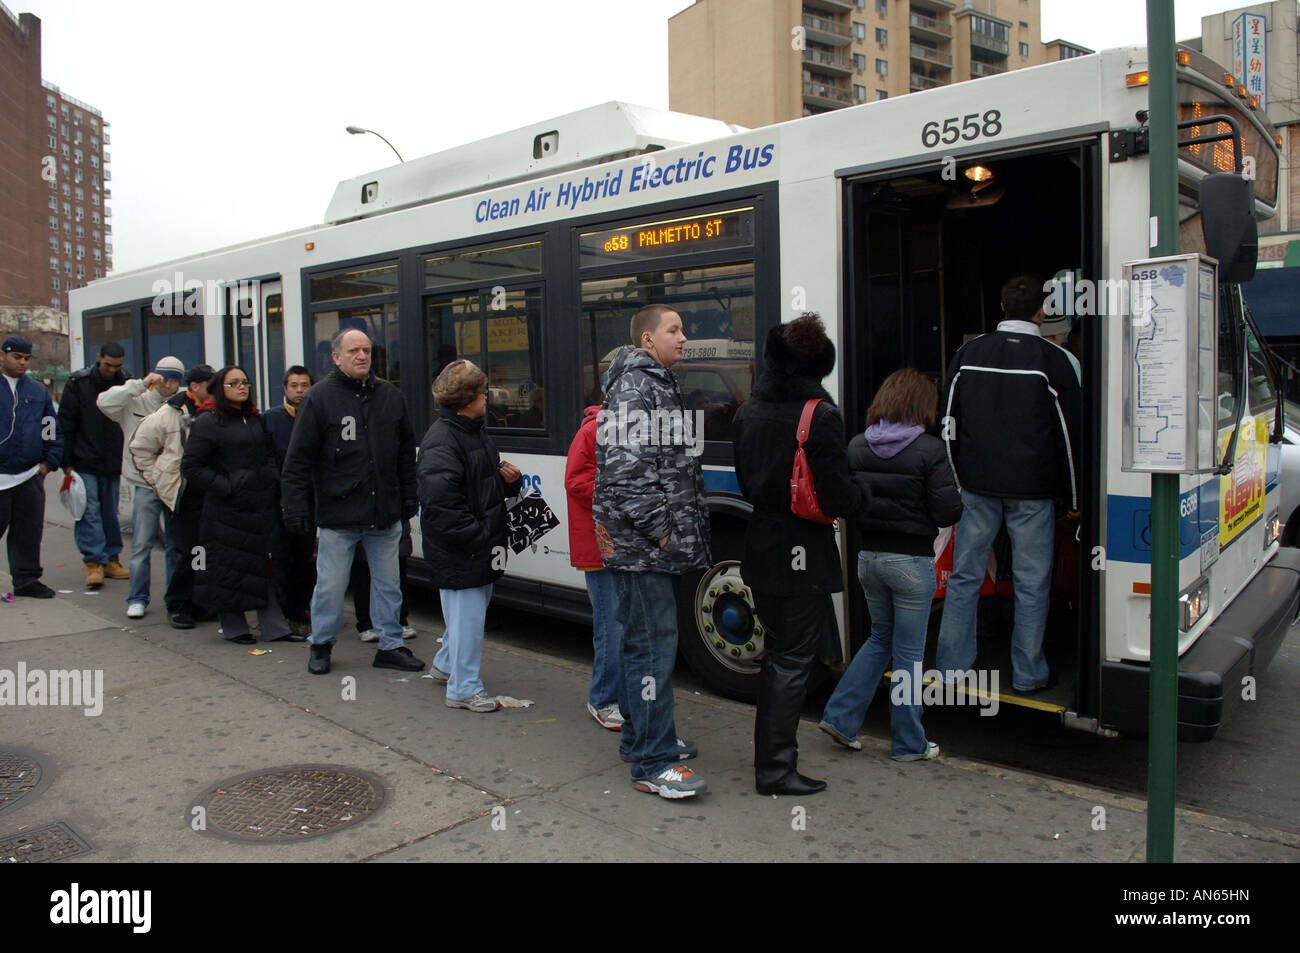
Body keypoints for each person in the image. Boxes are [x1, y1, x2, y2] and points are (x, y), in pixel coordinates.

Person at [732, 313, 862, 796]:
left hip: (760, 544)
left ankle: (771, 763)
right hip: (801, 547)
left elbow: (748, 482)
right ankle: (775, 770)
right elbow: (838, 498)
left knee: (778, 654)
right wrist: (866, 498)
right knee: (791, 660)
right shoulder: (820, 415)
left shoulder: (747, 411)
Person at [937, 275, 1081, 693]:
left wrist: (956, 482)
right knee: (1032, 582)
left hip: (976, 488)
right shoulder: (1056, 361)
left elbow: (948, 425)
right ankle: (1028, 673)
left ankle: (950, 669)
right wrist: (1073, 497)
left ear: (1001, 307)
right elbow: (1069, 438)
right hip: (1034, 494)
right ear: (1041, 311)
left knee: (965, 577)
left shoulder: (968, 354)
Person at [593, 304, 711, 799]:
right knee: (652, 650)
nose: (683, 338)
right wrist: (665, 534)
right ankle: (652, 763)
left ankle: (643, 739)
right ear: (647, 339)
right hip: (643, 550)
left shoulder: (654, 383)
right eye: (674, 329)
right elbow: (625, 474)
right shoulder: (636, 388)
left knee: (645, 645)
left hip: (646, 548)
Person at [818, 368, 962, 761]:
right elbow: (949, 510)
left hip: (869, 559)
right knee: (910, 654)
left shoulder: (858, 445)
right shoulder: (930, 450)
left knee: (879, 638)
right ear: (923, 406)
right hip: (912, 562)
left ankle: (841, 717)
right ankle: (909, 743)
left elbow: (846, 502)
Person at [281, 329, 423, 675]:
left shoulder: (391, 396)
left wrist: (409, 497)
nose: (362, 356)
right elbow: (297, 462)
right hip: (337, 514)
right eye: (354, 350)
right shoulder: (318, 399)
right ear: (336, 357)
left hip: (384, 513)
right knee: (330, 587)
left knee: (389, 584)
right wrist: (297, 509)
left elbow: (406, 454)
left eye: (366, 350)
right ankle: (321, 645)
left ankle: (390, 644)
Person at [417, 360, 522, 711]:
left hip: (473, 546)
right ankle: (463, 688)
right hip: (465, 549)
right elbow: (442, 507)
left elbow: (473, 488)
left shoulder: (464, 432)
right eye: (483, 392)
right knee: (468, 619)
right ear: (469, 399)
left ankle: (446, 666)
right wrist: (481, 536)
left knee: (466, 616)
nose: (487, 397)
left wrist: (511, 484)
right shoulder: (448, 440)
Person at [180, 365, 301, 645]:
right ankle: (235, 627)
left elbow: (269, 455)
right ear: (221, 387)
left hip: (259, 508)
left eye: (245, 382)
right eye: (234, 383)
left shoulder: (255, 419)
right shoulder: (209, 421)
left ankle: (275, 628)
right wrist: (228, 485)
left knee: (264, 568)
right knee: (228, 569)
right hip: (225, 511)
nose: (242, 387)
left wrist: (270, 477)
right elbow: (192, 467)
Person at [97, 356, 185, 619]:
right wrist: (140, 384)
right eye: (163, 378)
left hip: (173, 483)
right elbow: (104, 402)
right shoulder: (136, 399)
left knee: (175, 545)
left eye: (173, 380)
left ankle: (175, 597)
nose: (167, 385)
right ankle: (137, 598)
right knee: (141, 545)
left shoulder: (180, 405)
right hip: (143, 483)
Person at [130, 363, 215, 629]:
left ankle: (200, 601)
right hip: (181, 493)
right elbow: (140, 447)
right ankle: (178, 604)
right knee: (184, 551)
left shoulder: (214, 412)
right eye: (209, 387)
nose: (214, 392)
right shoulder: (168, 413)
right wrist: (155, 479)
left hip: (208, 490)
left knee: (204, 549)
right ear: (194, 387)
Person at [564, 396, 625, 731]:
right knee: (610, 627)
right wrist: (620, 492)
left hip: (617, 545)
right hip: (600, 546)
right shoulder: (594, 431)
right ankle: (602, 699)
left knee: (617, 625)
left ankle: (613, 696)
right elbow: (575, 481)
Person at [58, 342, 130, 587]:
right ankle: (94, 562)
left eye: (116, 366)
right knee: (89, 511)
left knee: (109, 511)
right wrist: (66, 462)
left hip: (113, 459)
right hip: (84, 459)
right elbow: (66, 423)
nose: (111, 370)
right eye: (107, 364)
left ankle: (110, 559)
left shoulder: (126, 383)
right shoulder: (79, 383)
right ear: (99, 358)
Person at [0, 336, 63, 598]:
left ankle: (26, 580)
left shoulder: (37, 391)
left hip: (29, 474)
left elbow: (51, 428)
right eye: (17, 357)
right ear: (3, 355)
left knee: (28, 530)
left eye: (27, 358)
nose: (23, 363)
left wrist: (49, 462)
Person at [263, 365, 316, 635]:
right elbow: (266, 459)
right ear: (285, 388)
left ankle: (303, 608)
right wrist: (284, 490)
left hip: (309, 501)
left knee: (305, 559)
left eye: (304, 385)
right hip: (280, 502)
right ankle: (288, 614)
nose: (298, 391)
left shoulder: (315, 416)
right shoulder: (271, 419)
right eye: (294, 385)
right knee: (282, 559)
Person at [351, 519, 416, 641]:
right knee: (363, 570)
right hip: (362, 519)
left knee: (396, 574)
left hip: (393, 518)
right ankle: (366, 623)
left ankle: (399, 621)